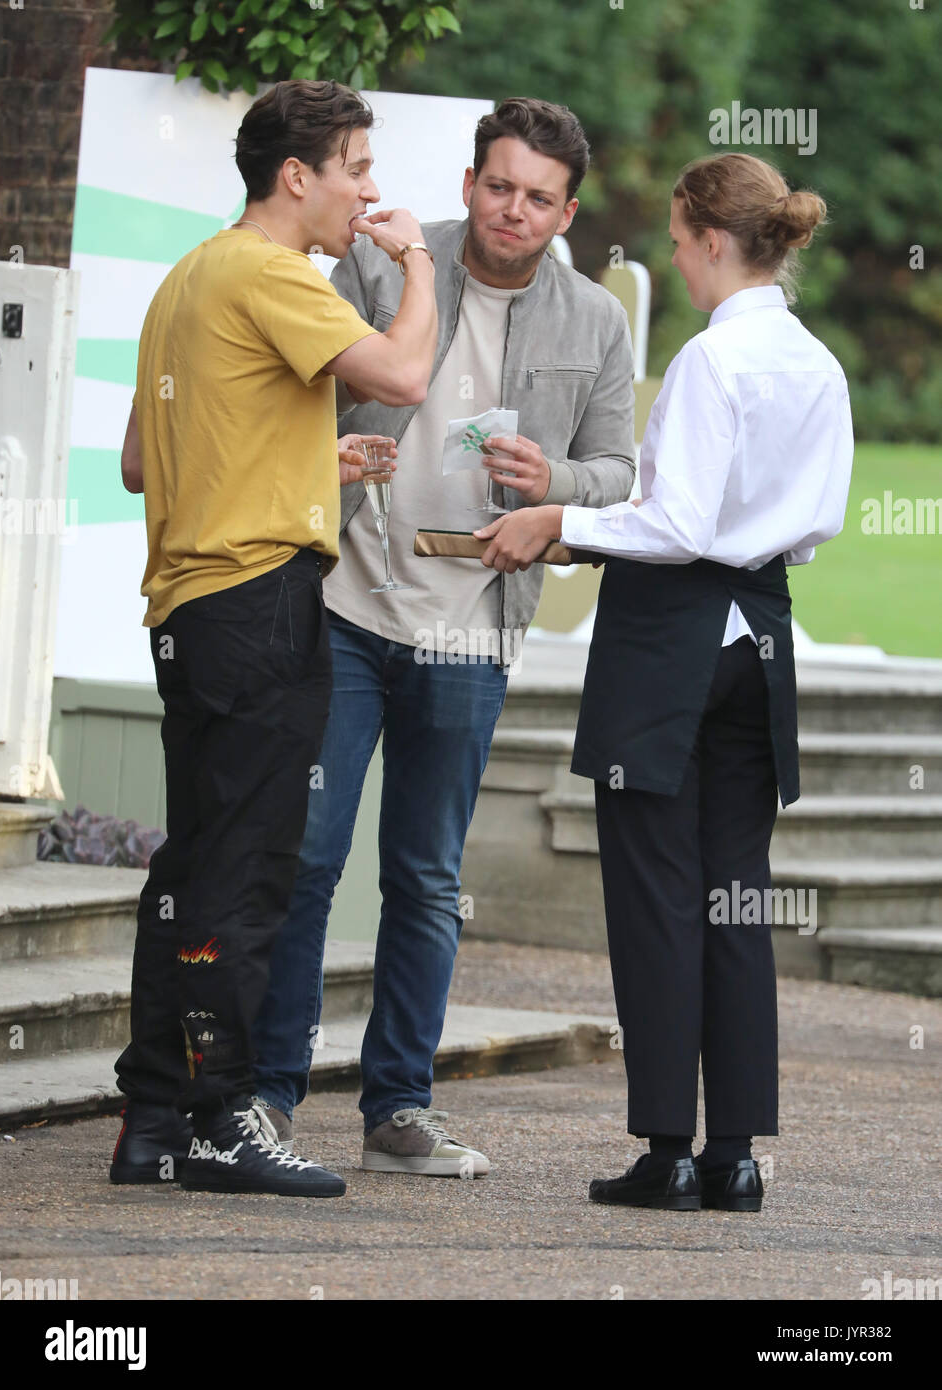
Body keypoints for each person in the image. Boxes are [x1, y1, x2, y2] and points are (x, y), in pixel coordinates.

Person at [251, 97, 636, 1176]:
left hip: (475, 628)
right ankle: (270, 1095)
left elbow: (618, 473)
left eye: (539, 197)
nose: (513, 209)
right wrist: (334, 455)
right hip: (346, 606)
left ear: (567, 213)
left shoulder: (594, 323)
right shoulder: (384, 267)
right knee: (310, 857)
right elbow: (289, 392)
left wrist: (550, 490)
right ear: (470, 184)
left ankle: (398, 1108)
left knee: (425, 875)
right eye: (498, 185)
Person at [476, 152, 853, 1210]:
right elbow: (812, 527)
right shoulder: (818, 364)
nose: (678, 262)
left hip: (671, 642)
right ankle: (732, 1154)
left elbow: (676, 525)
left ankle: (664, 1153)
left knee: (653, 897)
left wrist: (559, 520)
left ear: (708, 238)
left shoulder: (707, 361)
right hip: (761, 638)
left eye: (680, 243)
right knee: (733, 896)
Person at [109, 79, 439, 1197]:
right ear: (294, 177)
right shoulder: (270, 271)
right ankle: (220, 1118)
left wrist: (305, 459)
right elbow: (401, 374)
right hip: (257, 609)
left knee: (192, 868)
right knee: (246, 879)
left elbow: (145, 463)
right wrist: (420, 271)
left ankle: (152, 1118)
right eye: (353, 165)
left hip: (189, 612)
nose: (368, 189)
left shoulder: (188, 277)